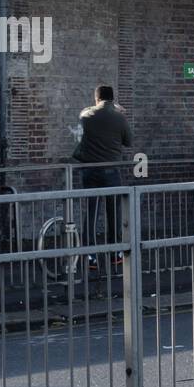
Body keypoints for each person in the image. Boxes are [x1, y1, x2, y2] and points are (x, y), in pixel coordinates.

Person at [72, 85, 133, 268]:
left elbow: (82, 116)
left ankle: (90, 256)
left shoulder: (86, 115)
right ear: (112, 99)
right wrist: (118, 112)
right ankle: (115, 253)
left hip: (90, 170)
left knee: (91, 212)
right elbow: (128, 141)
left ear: (96, 99)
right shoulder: (119, 117)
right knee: (113, 212)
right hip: (111, 171)